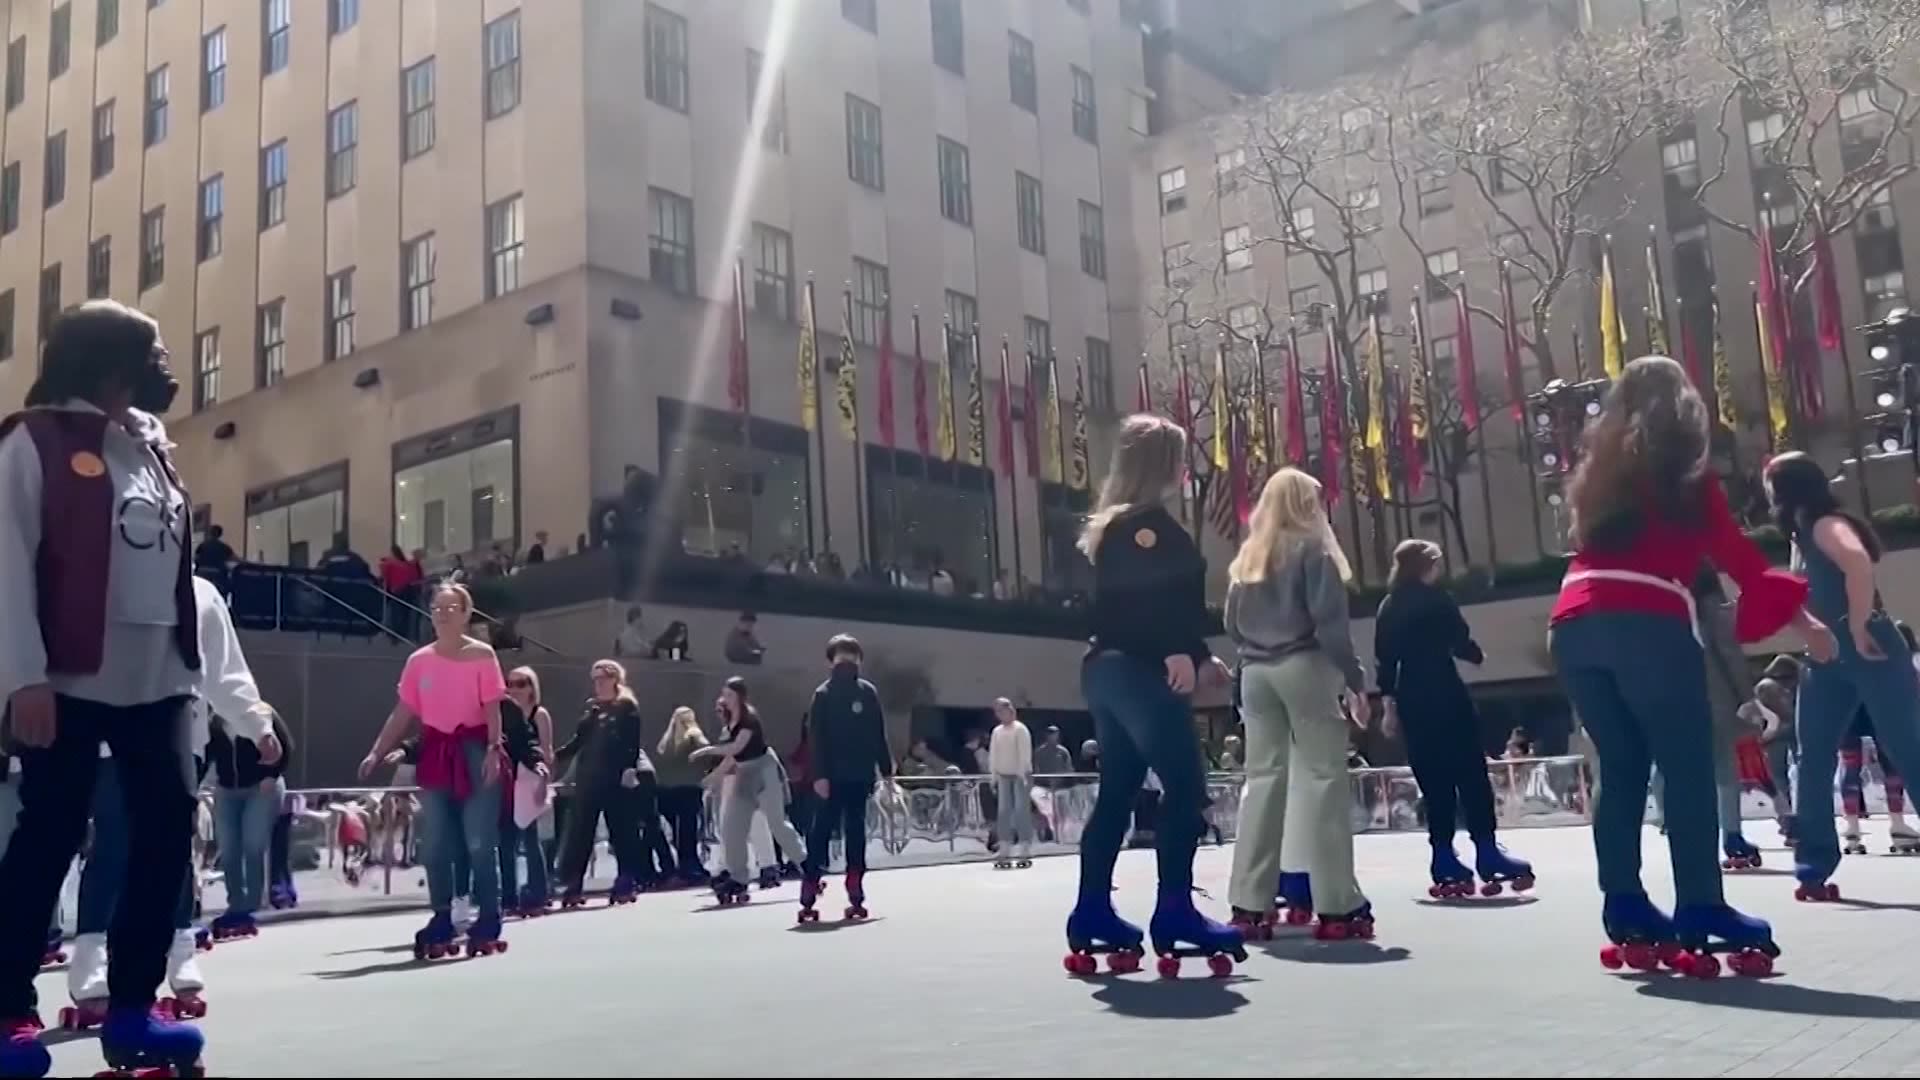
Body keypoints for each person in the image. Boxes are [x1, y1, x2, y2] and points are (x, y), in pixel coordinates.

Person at [1548, 357, 1829, 976]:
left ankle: (1624, 906)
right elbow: (1737, 559)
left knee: (1621, 769)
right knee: (1688, 766)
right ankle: (1702, 906)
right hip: (1645, 620)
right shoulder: (1687, 480)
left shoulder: (1597, 480)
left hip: (1571, 624)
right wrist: (1800, 618)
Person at [0, 300, 218, 1077]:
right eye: (155, 351)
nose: (168, 365)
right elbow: (8, 561)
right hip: (63, 677)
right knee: (51, 833)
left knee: (164, 833)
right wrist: (24, 676)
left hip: (157, 680)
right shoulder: (33, 441)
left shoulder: (152, 448)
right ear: (111, 362)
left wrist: (191, 678)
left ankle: (133, 1007)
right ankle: (6, 1008)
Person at [62, 575, 282, 1034]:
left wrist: (256, 724)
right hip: (109, 737)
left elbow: (223, 668)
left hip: (182, 737)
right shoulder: (106, 575)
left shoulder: (201, 592)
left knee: (173, 845)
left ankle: (180, 948)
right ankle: (91, 956)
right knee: (115, 840)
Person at [1065, 414, 1243, 978]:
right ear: (1161, 463)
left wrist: (1194, 651)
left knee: (1117, 791)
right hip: (1138, 669)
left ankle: (1092, 909)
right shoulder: (1148, 527)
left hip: (1108, 668)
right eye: (1177, 456)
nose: (1184, 468)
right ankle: (1175, 912)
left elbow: (1149, 602)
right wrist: (1175, 650)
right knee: (1186, 784)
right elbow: (1149, 601)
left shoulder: (1116, 526)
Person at [1223, 468, 1373, 940]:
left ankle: (1249, 905)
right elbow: (1331, 625)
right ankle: (1337, 905)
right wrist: (1355, 678)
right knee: (1326, 779)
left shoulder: (1249, 556)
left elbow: (1230, 623)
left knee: (1263, 781)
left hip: (1254, 673)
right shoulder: (1314, 550)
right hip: (1304, 664)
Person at [1765, 451, 1920, 895]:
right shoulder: (1801, 533)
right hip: (1827, 658)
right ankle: (1813, 860)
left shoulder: (1825, 524)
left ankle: (1816, 857)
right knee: (1812, 755)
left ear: (1785, 487)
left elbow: (1857, 562)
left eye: (1769, 481)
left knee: (1906, 746)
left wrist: (1856, 622)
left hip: (1869, 645)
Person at [357, 584, 509, 961]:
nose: (441, 614)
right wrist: (377, 751)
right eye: (436, 608)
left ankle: (488, 916)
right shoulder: (419, 661)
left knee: (478, 841)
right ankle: (442, 915)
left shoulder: (482, 655)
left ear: (465, 613)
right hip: (436, 753)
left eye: (450, 607)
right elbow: (403, 712)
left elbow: (493, 707)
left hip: (474, 751)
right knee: (436, 843)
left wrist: (494, 748)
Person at [1375, 538, 1532, 901]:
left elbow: (1385, 661)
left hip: (1412, 699)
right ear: (1427, 565)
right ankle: (1488, 853)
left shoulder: (1388, 607)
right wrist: (1478, 654)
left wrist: (1389, 707)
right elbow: (1460, 640)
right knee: (1471, 776)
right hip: (1446, 693)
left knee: (1433, 783)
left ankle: (1443, 857)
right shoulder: (1437, 600)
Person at [800, 636, 893, 921]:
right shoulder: (841, 693)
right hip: (845, 774)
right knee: (839, 831)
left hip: (846, 775)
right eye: (844, 657)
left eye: (849, 656)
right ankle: (832, 884)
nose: (848, 662)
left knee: (837, 831)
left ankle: (833, 885)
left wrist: (886, 770)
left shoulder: (848, 693)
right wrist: (819, 775)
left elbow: (876, 733)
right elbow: (817, 737)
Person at [551, 660, 654, 906]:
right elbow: (579, 740)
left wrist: (629, 769)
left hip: (615, 777)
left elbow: (632, 741)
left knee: (621, 830)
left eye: (602, 678)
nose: (598, 683)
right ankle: (574, 883)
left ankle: (626, 879)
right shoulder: (592, 708)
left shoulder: (626, 707)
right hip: (589, 778)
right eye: (595, 679)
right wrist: (556, 755)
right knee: (581, 832)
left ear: (614, 679)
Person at [702, 677, 807, 902]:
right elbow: (732, 757)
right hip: (744, 773)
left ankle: (806, 865)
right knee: (732, 826)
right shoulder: (728, 722)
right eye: (724, 695)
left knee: (776, 822)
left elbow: (737, 747)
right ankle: (739, 877)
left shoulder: (750, 719)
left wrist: (708, 750)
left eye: (729, 695)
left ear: (739, 697)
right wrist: (715, 777)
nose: (725, 700)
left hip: (764, 770)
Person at [1689, 567, 1767, 870]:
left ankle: (1690, 840)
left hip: (1669, 693)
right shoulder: (1710, 598)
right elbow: (1728, 649)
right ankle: (1732, 838)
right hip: (1712, 693)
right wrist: (1746, 696)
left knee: (1684, 770)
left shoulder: (1660, 591)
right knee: (1724, 769)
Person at [205, 695, 294, 939]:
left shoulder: (263, 714)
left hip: (260, 787)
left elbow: (286, 747)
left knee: (253, 844)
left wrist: (271, 775)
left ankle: (253, 904)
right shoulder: (215, 722)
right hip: (227, 789)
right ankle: (236, 904)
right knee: (229, 847)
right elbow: (207, 755)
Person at [499, 667, 553, 915]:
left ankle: (538, 892)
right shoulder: (503, 712)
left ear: (532, 687)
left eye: (521, 684)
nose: (514, 689)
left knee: (530, 837)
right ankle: (509, 895)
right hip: (507, 780)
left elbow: (545, 750)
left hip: (530, 779)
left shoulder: (538, 714)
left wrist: (544, 782)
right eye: (510, 683)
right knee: (506, 840)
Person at [654, 707, 712, 886]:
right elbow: (708, 751)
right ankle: (690, 866)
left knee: (678, 831)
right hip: (688, 788)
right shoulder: (693, 734)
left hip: (665, 790)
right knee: (688, 829)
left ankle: (681, 865)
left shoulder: (665, 740)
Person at [1749, 654, 1802, 846]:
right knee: (1798, 779)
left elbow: (1760, 715)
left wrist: (1761, 737)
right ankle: (1799, 822)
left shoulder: (1764, 686)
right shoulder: (1800, 683)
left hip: (1773, 738)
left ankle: (1788, 823)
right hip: (1797, 734)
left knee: (1778, 782)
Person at [988, 698, 1034, 869]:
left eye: (1003, 710)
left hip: (1019, 775)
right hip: (1003, 774)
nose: (1001, 714)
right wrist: (993, 775)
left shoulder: (1020, 729)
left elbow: (1024, 753)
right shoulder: (997, 731)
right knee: (1003, 811)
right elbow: (994, 754)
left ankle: (1024, 846)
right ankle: (1005, 845)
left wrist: (1023, 773)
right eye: (998, 711)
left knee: (1021, 811)